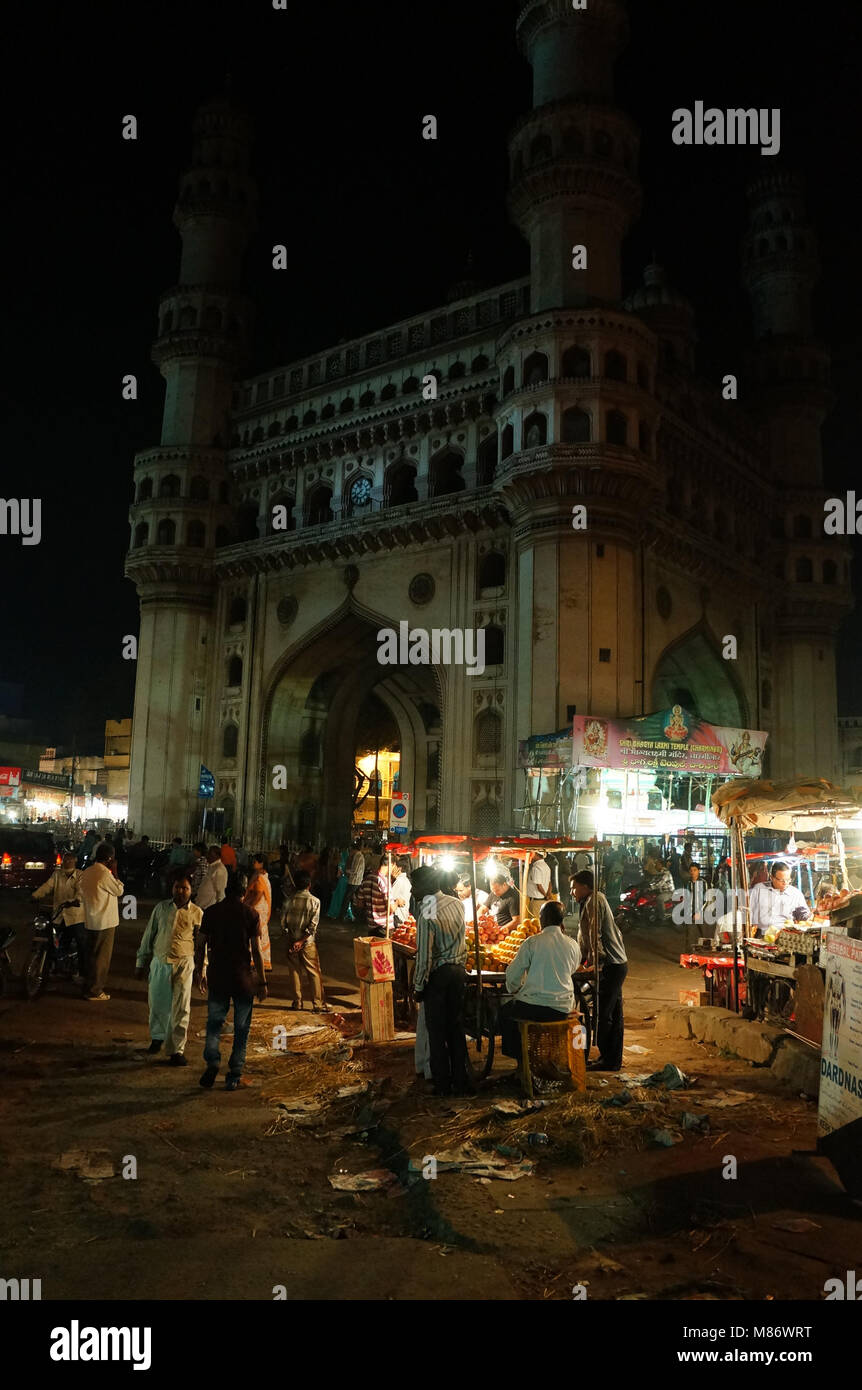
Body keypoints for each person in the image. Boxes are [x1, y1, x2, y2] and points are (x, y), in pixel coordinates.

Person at [195, 871, 267, 1090]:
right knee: (242, 1028)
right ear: (244, 892)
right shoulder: (251, 914)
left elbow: (200, 945)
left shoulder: (211, 912)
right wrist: (262, 982)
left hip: (218, 976)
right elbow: (256, 950)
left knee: (214, 1023)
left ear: (226, 889)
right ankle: (234, 1073)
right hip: (243, 978)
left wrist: (200, 971)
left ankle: (213, 1060)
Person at [499, 901, 581, 1063]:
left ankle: (521, 1059)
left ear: (542, 919)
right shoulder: (572, 944)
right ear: (561, 920)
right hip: (563, 1008)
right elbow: (572, 969)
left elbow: (513, 974)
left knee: (504, 1014)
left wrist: (514, 989)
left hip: (533, 1008)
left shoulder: (532, 942)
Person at [135, 872, 203, 1065]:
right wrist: (141, 961)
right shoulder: (161, 908)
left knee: (181, 1008)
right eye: (178, 887)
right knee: (157, 1003)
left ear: (191, 891)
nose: (181, 891)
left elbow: (202, 945)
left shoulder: (197, 913)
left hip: (184, 964)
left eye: (185, 888)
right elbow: (149, 935)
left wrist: (201, 970)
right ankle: (157, 1037)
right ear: (172, 888)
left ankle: (177, 1050)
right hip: (160, 961)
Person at [413, 868, 471, 1097]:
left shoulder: (427, 909)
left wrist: (419, 987)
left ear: (425, 886)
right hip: (459, 973)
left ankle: (442, 1083)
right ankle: (461, 1080)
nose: (412, 890)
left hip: (439, 976)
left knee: (436, 1032)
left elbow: (425, 956)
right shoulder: (457, 903)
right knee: (456, 1028)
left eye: (414, 885)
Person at [572, 869, 628, 1072]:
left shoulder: (595, 900)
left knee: (605, 1014)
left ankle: (609, 1058)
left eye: (574, 887)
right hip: (613, 963)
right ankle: (611, 1058)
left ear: (585, 886)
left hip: (611, 964)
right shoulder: (590, 901)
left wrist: (598, 962)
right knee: (612, 1011)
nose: (572, 892)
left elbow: (594, 934)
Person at [78, 844, 124, 1000]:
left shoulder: (87, 872)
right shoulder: (105, 875)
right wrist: (116, 872)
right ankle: (96, 990)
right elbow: (119, 890)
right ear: (110, 858)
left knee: (91, 955)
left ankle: (88, 985)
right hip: (105, 921)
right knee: (102, 958)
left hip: (90, 919)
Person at [32, 852, 86, 982]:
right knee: (52, 941)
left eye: (70, 860)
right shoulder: (57, 874)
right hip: (58, 915)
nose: (67, 862)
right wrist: (35, 896)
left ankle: (82, 971)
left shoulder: (80, 875)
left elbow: (81, 891)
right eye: (65, 860)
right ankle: (52, 967)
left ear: (75, 861)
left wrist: (75, 900)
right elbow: (47, 886)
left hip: (75, 917)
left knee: (81, 943)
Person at [280, 869, 329, 1012]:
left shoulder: (288, 901)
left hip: (291, 941)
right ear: (309, 885)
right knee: (313, 972)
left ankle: (297, 1002)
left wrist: (292, 939)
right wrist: (301, 941)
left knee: (294, 971)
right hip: (307, 943)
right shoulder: (315, 902)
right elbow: (313, 926)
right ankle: (317, 1004)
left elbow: (283, 924)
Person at [747, 860, 809, 938]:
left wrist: (807, 916)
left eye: (788, 880)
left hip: (785, 936)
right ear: (772, 878)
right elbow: (748, 911)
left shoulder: (795, 894)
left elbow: (803, 913)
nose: (785, 883)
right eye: (782, 880)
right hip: (761, 934)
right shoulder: (758, 889)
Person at [243, 855, 272, 970]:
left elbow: (258, 894)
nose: (253, 863)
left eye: (255, 862)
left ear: (262, 863)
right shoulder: (261, 875)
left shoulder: (260, 877)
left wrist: (249, 906)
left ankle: (257, 961)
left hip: (258, 909)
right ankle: (263, 961)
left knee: (256, 934)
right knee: (261, 934)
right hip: (259, 909)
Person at [196, 845, 228, 911]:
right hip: (202, 905)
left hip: (209, 907)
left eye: (210, 854)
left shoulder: (219, 869)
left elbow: (220, 892)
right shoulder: (212, 867)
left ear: (217, 856)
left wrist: (218, 909)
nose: (207, 856)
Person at [341, 841, 366, 920]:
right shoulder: (359, 856)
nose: (350, 852)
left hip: (354, 881)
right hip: (356, 881)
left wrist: (346, 871)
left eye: (351, 850)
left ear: (354, 849)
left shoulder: (357, 856)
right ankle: (351, 915)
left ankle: (344, 915)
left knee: (347, 898)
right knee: (352, 898)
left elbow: (354, 870)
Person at [525, 851, 552, 918]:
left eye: (533, 853)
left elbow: (539, 886)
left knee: (535, 923)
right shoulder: (546, 866)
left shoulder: (536, 868)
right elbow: (549, 883)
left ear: (536, 855)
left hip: (536, 902)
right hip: (543, 900)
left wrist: (546, 895)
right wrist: (548, 894)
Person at [390, 857, 413, 924]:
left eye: (394, 867)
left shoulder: (399, 881)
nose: (391, 869)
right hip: (403, 915)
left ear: (399, 869)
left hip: (398, 917)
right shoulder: (405, 880)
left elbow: (389, 898)